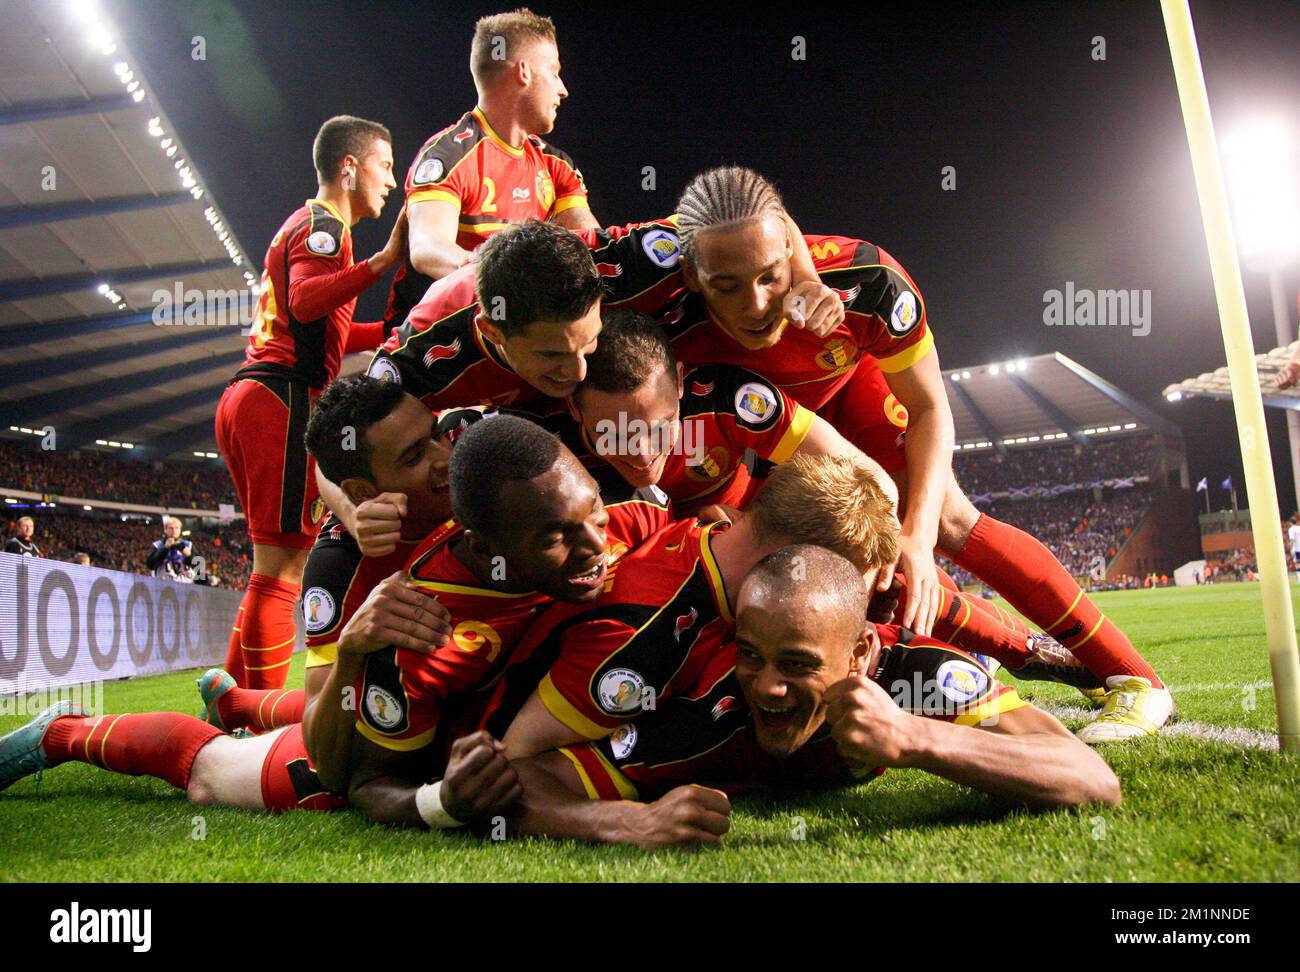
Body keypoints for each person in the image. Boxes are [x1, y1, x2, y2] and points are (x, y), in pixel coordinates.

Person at [628, 165, 1170, 742]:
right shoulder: (658, 309)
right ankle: (1014, 655)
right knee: (778, 557)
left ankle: (1136, 680)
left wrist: (917, 535)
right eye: (727, 286)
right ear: (688, 273)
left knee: (948, 518)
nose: (757, 304)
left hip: (849, 400)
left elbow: (931, 409)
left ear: (790, 243)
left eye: (771, 275)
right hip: (750, 435)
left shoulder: (866, 279)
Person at [507, 545, 1120, 847]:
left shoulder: (914, 676)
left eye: (798, 665)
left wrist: (921, 739)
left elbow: (1091, 778)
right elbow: (524, 779)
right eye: (752, 654)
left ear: (858, 656)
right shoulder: (703, 709)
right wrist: (627, 822)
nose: (768, 686)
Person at [213, 115, 406, 690]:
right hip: (282, 398)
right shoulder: (327, 224)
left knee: (267, 570)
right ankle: (264, 722)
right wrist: (381, 261)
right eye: (385, 165)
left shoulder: (301, 223)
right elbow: (303, 301)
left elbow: (324, 330)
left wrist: (388, 332)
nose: (393, 181)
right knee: (285, 569)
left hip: (254, 392)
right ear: (349, 167)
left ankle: (228, 707)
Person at [383, 7, 597, 329]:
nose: (563, 89)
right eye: (554, 71)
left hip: (508, 336)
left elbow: (591, 247)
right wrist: (508, 281)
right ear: (524, 72)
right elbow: (427, 250)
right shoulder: (448, 155)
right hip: (430, 342)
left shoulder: (557, 165)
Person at [145, 517, 196, 582]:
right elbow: (150, 565)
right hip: (163, 584)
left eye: (176, 528)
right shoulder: (157, 545)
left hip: (186, 584)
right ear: (165, 530)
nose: (174, 530)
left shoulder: (188, 545)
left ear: (180, 530)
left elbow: (198, 566)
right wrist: (165, 549)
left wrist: (189, 556)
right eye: (171, 528)